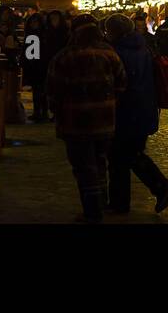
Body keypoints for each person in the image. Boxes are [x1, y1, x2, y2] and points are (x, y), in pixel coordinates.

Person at [46, 15, 127, 222]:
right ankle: (100, 202)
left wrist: (56, 110)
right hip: (105, 119)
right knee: (100, 163)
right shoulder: (109, 53)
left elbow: (54, 90)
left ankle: (92, 210)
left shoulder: (65, 56)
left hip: (76, 121)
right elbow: (121, 83)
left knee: (83, 167)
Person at [105, 14, 168, 214]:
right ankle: (154, 190)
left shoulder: (119, 52)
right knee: (130, 155)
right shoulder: (143, 49)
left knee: (121, 157)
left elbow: (120, 84)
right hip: (144, 109)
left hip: (127, 111)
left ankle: (158, 188)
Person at [24, 13, 50, 122]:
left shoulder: (34, 35)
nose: (34, 24)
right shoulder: (39, 35)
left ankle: (41, 113)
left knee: (40, 91)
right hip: (37, 66)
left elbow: (30, 54)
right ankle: (39, 112)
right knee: (38, 91)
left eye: (36, 22)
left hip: (40, 66)